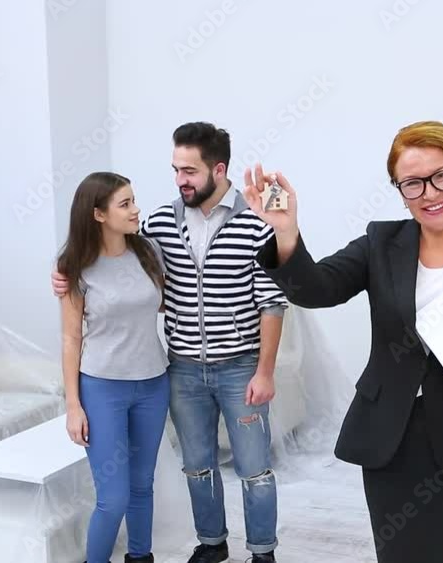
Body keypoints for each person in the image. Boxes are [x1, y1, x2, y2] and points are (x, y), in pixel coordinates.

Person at [243, 120, 443, 562]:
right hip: (393, 440)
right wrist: (286, 231)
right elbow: (315, 290)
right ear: (400, 191)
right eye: (412, 183)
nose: (429, 193)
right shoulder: (380, 243)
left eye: (442, 176)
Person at [54, 123, 287, 563]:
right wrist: (65, 275)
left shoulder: (258, 221)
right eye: (176, 169)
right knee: (196, 467)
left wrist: (265, 371)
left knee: (254, 469)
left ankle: (262, 552)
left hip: (239, 367)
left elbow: (272, 303)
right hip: (181, 369)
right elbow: (112, 265)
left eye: (189, 171)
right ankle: (212, 544)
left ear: (218, 170)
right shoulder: (159, 224)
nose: (180, 179)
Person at [57, 172, 171, 563]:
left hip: (154, 383)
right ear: (98, 214)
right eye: (125, 204)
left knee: (142, 486)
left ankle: (140, 557)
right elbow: (71, 338)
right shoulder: (74, 266)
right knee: (113, 497)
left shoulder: (148, 251)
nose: (136, 210)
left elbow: (162, 302)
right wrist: (73, 405)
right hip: (102, 389)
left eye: (133, 200)